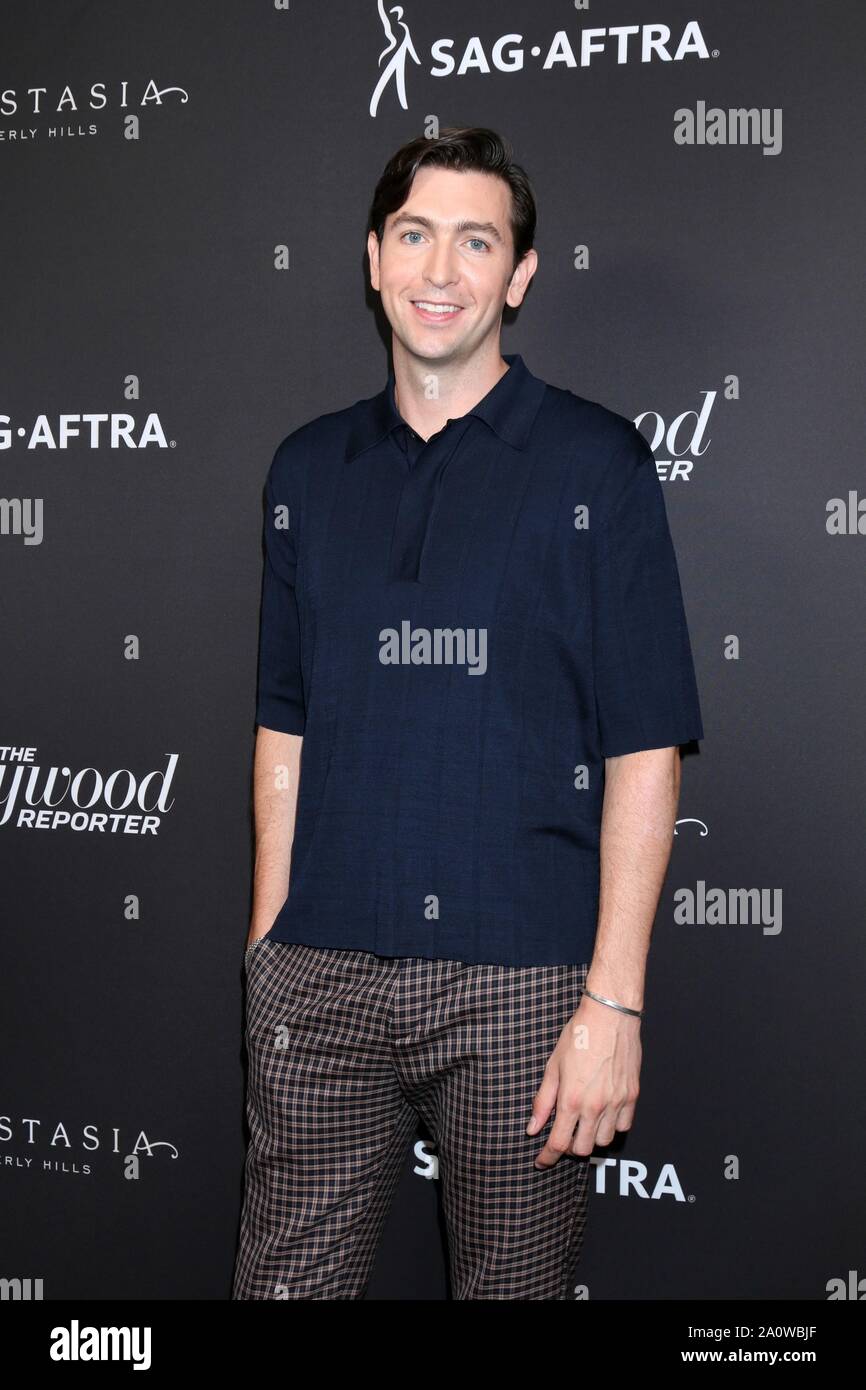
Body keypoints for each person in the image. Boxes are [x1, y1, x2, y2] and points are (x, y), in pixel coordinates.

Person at [232, 127, 704, 1301]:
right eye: (414, 235)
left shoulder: (597, 465)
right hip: (319, 972)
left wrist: (613, 1002)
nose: (439, 269)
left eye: (475, 240)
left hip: (523, 987)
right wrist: (265, 950)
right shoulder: (305, 470)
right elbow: (283, 725)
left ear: (520, 275)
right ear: (372, 259)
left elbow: (644, 744)